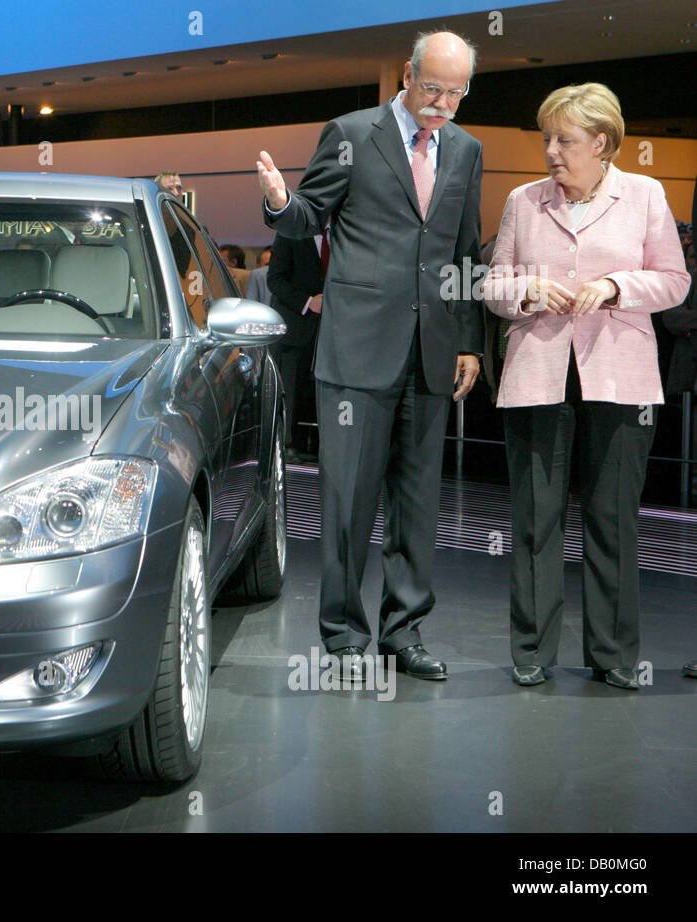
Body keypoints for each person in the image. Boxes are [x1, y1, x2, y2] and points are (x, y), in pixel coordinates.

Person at [256, 30, 485, 680]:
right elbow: (308, 215)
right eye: (433, 88)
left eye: (456, 92)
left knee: (417, 506)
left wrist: (468, 337)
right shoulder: (352, 132)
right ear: (406, 77)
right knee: (349, 503)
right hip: (357, 350)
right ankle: (343, 635)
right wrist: (278, 202)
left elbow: (464, 251)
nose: (442, 103)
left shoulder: (466, 151)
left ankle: (403, 631)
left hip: (432, 350)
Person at [482, 83, 689, 689]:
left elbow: (674, 282)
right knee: (534, 520)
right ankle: (531, 652)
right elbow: (491, 286)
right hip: (537, 376)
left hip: (620, 379)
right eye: (547, 138)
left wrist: (619, 285)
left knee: (613, 519)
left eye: (564, 140)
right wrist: (527, 291)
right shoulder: (523, 201)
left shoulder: (645, 195)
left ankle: (615, 656)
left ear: (601, 143)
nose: (551, 150)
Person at [267, 233, 325, 460]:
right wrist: (308, 302)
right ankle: (288, 443)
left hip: (337, 327)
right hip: (296, 326)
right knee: (290, 388)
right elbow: (275, 280)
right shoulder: (290, 233)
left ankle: (325, 444)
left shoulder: (345, 229)